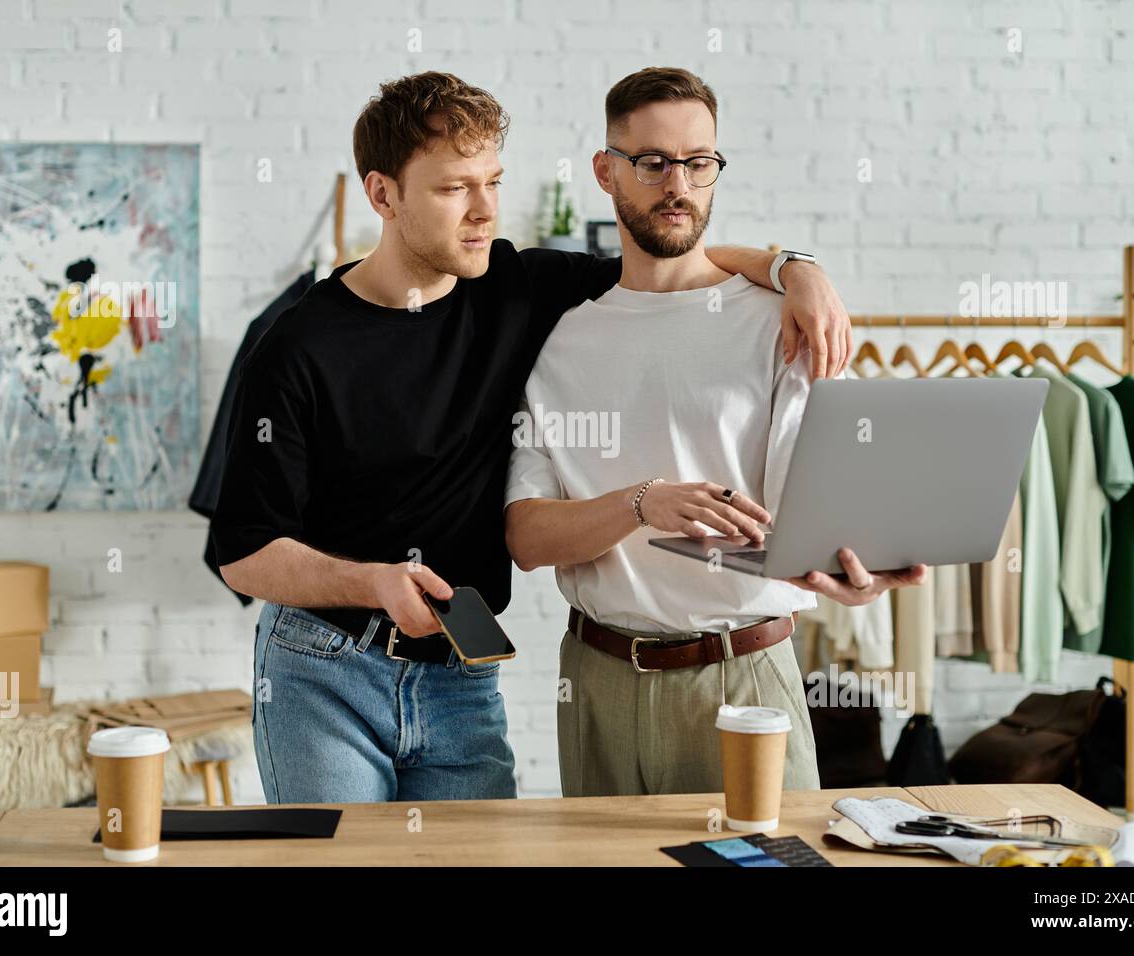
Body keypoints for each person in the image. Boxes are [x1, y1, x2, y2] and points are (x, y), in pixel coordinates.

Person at [212, 70, 856, 805]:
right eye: (455, 189)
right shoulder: (296, 346)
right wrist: (372, 582)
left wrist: (795, 268)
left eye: (494, 182)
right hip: (324, 667)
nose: (485, 212)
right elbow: (244, 553)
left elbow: (668, 254)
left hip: (460, 671)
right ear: (383, 194)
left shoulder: (514, 286)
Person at [504, 67, 926, 798]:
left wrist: (854, 574)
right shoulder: (557, 337)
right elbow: (527, 539)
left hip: (745, 679)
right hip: (595, 681)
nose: (678, 185)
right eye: (652, 163)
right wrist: (642, 503)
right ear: (607, 172)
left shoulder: (780, 324)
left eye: (699, 163)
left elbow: (821, 520)